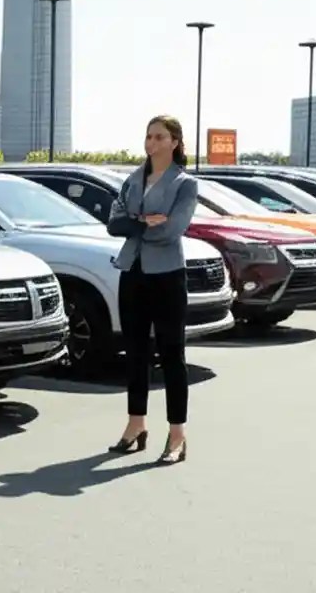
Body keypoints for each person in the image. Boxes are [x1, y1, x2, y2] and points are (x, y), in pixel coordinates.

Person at [105, 115, 198, 465]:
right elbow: (114, 222)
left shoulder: (184, 184)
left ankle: (177, 435)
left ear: (174, 142)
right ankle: (135, 426)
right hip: (133, 271)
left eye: (160, 137)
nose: (152, 143)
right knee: (136, 353)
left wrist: (137, 223)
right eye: (148, 137)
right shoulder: (133, 178)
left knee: (172, 355)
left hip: (167, 275)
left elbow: (172, 230)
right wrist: (145, 220)